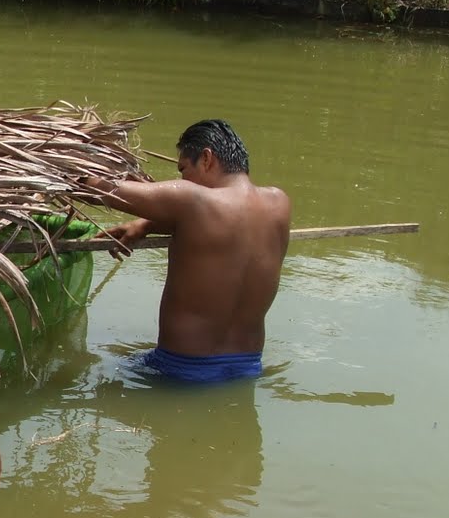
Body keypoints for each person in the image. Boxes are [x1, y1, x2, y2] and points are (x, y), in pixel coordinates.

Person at [77, 118, 291, 382]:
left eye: (183, 169)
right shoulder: (279, 203)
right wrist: (145, 224)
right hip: (248, 367)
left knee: (93, 369)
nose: (183, 177)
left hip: (181, 368)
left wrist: (68, 159)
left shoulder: (190, 199)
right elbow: (220, 221)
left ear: (206, 158)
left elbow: (95, 188)